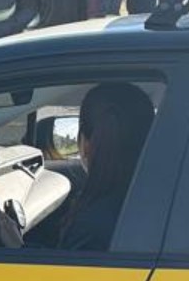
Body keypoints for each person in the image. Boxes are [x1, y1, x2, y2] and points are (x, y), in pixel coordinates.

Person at [55, 82, 155, 251]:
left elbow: (64, 277)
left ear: (86, 144)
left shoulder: (90, 225)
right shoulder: (158, 202)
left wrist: (17, 247)